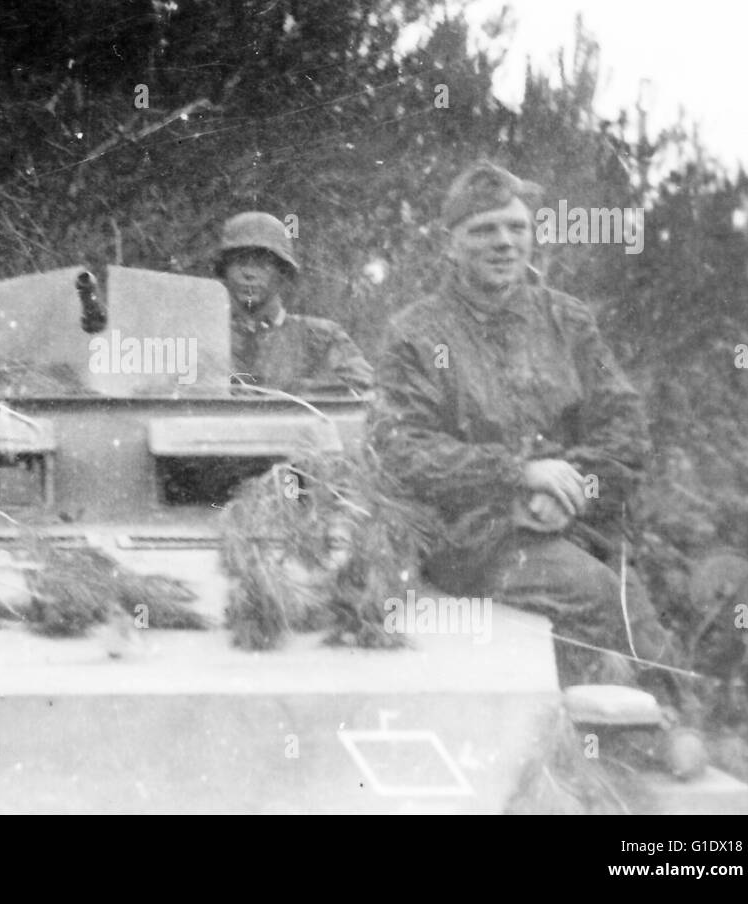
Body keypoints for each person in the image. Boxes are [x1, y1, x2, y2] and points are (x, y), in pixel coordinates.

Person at [373, 162, 689, 711]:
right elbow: (403, 448)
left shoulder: (567, 321)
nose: (504, 243)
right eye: (484, 230)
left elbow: (626, 426)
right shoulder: (417, 334)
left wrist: (570, 488)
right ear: (451, 245)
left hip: (572, 522)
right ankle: (673, 726)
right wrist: (515, 474)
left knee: (611, 593)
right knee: (603, 596)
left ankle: (608, 734)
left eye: (516, 228)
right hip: (469, 536)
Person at [214, 212, 373, 395]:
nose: (249, 273)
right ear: (223, 271)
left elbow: (372, 394)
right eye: (239, 262)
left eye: (262, 263)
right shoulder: (206, 336)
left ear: (283, 274)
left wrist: (306, 393)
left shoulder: (320, 337)